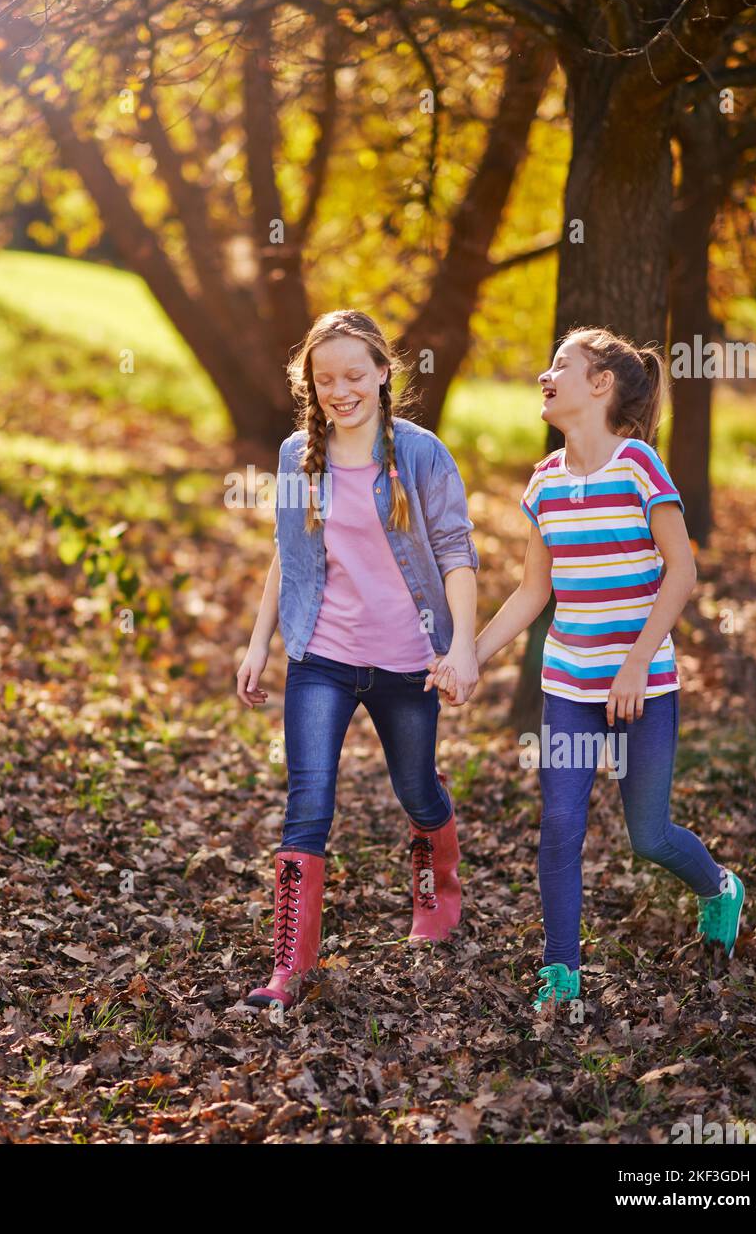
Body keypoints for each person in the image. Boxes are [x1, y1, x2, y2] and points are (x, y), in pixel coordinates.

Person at [474, 328, 745, 1013]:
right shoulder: (542, 481)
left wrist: (632, 663)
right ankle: (560, 975)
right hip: (568, 685)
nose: (543, 374)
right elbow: (533, 591)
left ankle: (719, 888)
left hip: (641, 687)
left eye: (558, 365)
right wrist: (469, 655)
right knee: (560, 822)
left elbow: (680, 571)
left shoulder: (639, 467)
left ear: (599, 385)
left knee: (647, 836)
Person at [235, 310, 479, 1009]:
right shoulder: (294, 456)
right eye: (323, 379)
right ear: (308, 385)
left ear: (380, 373)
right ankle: (288, 968)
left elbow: (456, 552)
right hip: (322, 654)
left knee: (416, 794)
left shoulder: (422, 454)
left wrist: (460, 647)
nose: (338, 390)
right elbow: (288, 552)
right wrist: (258, 642)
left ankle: (437, 887)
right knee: (307, 802)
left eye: (351, 375)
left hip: (407, 661)